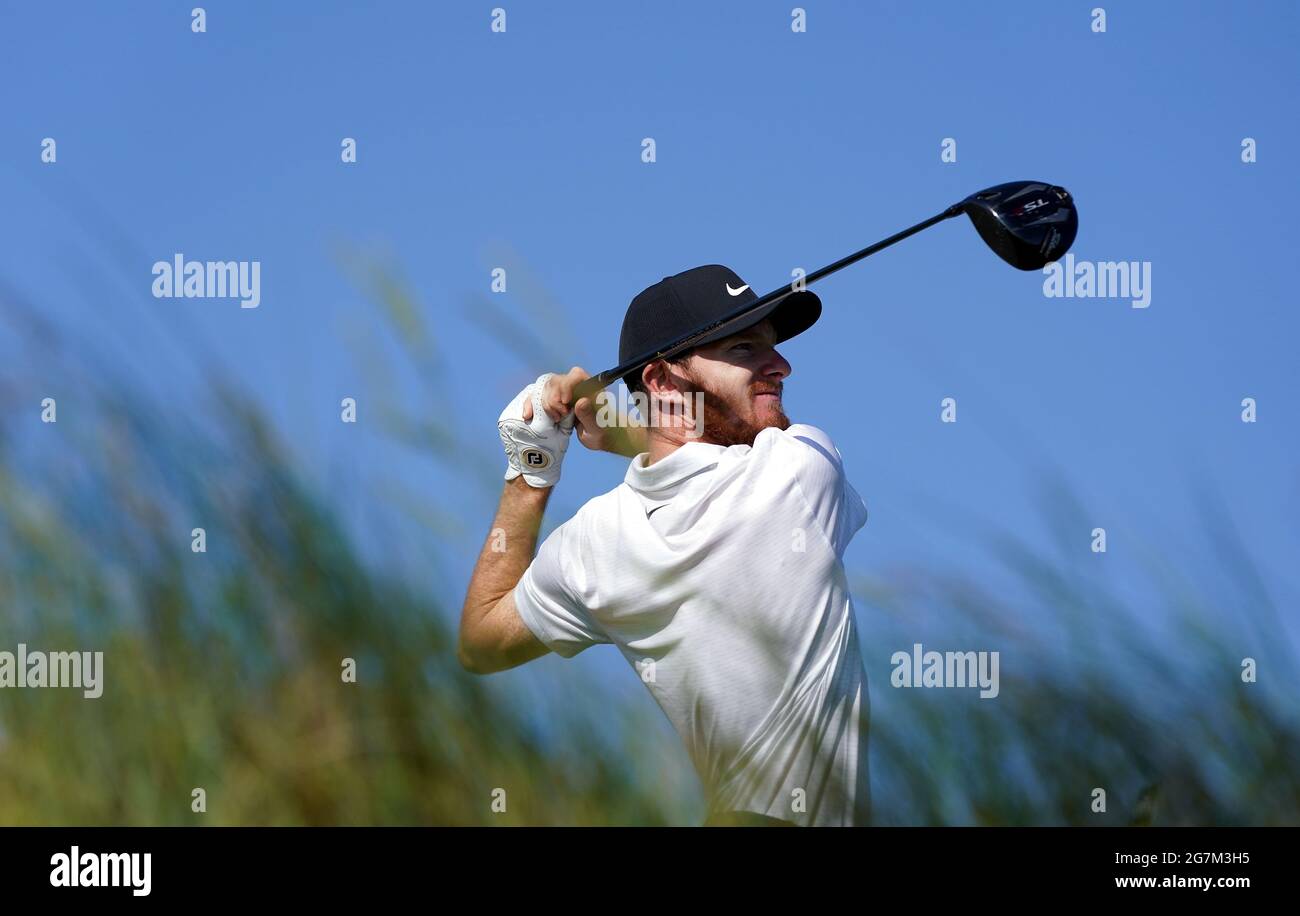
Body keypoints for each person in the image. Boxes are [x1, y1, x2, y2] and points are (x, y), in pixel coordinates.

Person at [459, 264, 871, 826]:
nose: (781, 365)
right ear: (660, 379)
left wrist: (531, 468)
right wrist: (621, 435)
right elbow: (703, 467)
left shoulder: (592, 543)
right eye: (745, 348)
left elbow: (480, 641)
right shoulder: (802, 466)